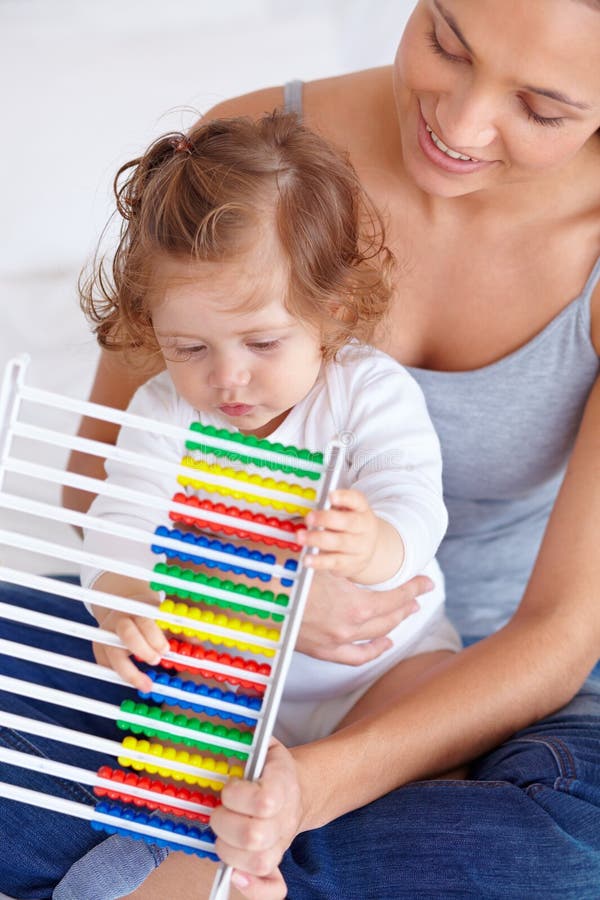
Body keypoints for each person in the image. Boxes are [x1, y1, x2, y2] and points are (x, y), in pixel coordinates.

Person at [1, 0, 599, 897]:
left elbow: (556, 637)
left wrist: (314, 786)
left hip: (447, 674)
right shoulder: (233, 166)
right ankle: (249, 850)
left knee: (571, 851)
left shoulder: (372, 390)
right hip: (195, 646)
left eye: (542, 108)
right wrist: (239, 599)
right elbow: (105, 489)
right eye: (445, 41)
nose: (463, 122)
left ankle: (170, 856)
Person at [78, 111, 460, 748]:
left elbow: (416, 497)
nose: (228, 378)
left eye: (261, 343)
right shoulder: (163, 410)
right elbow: (121, 521)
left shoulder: (368, 390)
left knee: (434, 725)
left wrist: (376, 545)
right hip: (236, 680)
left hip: (385, 663)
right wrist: (121, 600)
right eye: (189, 348)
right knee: (185, 765)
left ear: (329, 311)